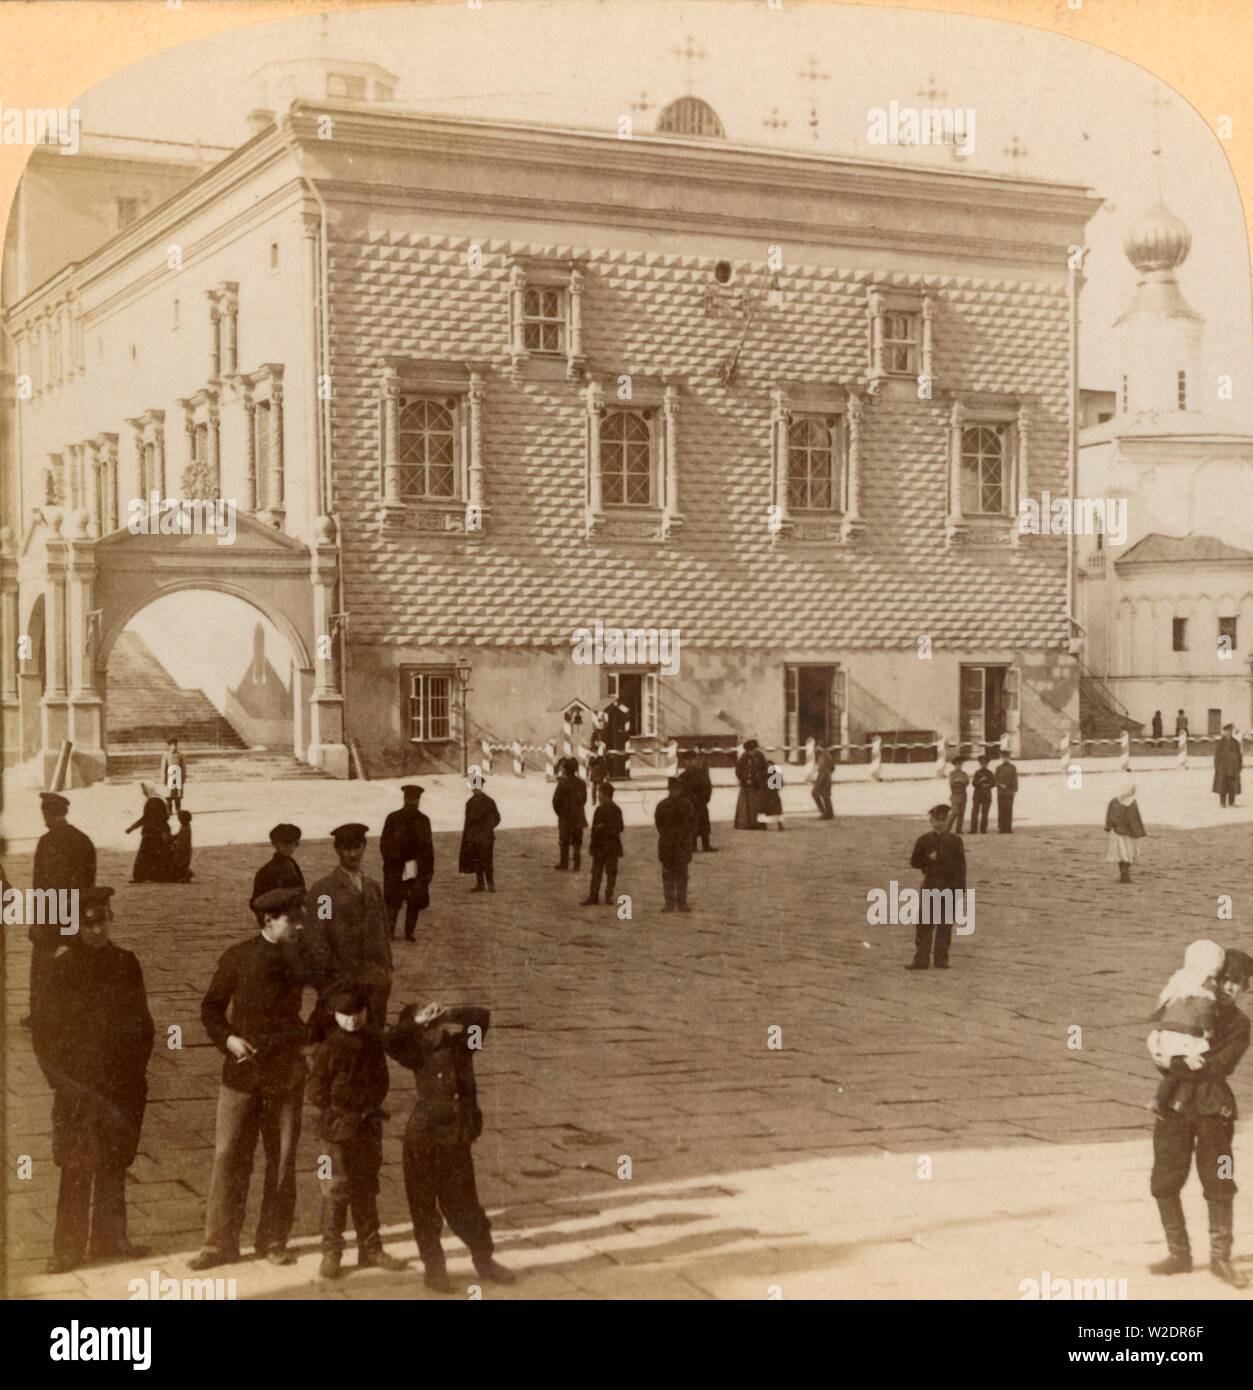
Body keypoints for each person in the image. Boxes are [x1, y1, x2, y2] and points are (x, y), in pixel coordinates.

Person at [191, 885, 315, 1271]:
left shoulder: (304, 957)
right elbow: (211, 1008)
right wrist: (228, 1039)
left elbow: (335, 996)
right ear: (268, 920)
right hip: (242, 1076)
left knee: (282, 1161)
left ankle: (273, 1239)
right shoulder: (238, 957)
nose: (300, 924)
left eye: (301, 917)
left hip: (286, 1074)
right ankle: (218, 1244)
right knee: (228, 1158)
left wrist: (309, 1038)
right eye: (292, 919)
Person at [33, 887, 153, 1274]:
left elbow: (143, 1023)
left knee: (115, 1160)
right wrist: (62, 1082)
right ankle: (67, 1249)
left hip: (120, 1084)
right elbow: (44, 1032)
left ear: (111, 920)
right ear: (77, 925)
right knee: (76, 1163)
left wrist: (134, 1072)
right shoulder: (62, 967)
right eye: (89, 924)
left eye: (103, 921)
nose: (97, 931)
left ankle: (110, 1239)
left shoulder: (126, 962)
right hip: (79, 1087)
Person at [384, 999, 515, 1293]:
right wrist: (416, 1023)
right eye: (423, 1031)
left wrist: (450, 1013)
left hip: (455, 1141)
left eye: (435, 1027)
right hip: (422, 1142)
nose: (430, 1034)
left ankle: (485, 1261)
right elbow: (389, 1040)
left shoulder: (463, 1046)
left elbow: (482, 1016)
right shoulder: (414, 1055)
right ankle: (435, 1269)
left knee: (466, 1207)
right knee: (424, 1211)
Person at [1149, 947, 1252, 1289]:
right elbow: (1160, 1048)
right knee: (1165, 1177)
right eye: (1228, 980)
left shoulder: (1239, 1023)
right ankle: (1179, 1253)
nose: (1232, 988)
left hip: (1214, 1111)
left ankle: (1221, 1258)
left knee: (1220, 1177)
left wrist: (1175, 1063)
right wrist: (1175, 1059)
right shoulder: (1185, 1003)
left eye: (1241, 983)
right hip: (1174, 1107)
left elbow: (1219, 1065)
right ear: (1215, 977)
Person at [309, 981, 407, 1280]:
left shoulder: (373, 1043)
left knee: (366, 1186)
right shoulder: (328, 1048)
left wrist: (368, 1109)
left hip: (367, 1127)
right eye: (345, 1014)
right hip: (336, 1132)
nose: (352, 1019)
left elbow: (381, 1080)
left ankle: (371, 1249)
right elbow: (315, 1090)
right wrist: (337, 1113)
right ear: (336, 1016)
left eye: (357, 1012)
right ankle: (331, 1253)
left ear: (366, 1013)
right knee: (335, 1189)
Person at [306, 824, 393, 1032]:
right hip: (343, 981)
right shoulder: (325, 890)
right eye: (346, 849)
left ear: (364, 847)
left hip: (375, 980)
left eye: (357, 847)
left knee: (374, 1036)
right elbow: (317, 934)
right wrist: (332, 977)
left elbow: (383, 927)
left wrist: (387, 968)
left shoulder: (373, 887)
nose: (353, 854)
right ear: (337, 850)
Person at [24, 791, 96, 1029]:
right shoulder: (83, 840)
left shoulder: (46, 842)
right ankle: (78, 1013)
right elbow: (89, 881)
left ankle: (40, 1015)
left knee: (42, 967)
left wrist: (36, 919)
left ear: (47, 813)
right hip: (75, 910)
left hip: (50, 911)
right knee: (78, 962)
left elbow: (39, 883)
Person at [1148, 940, 1226, 1119]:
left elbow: (1161, 1007)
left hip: (1166, 1035)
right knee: (1194, 1069)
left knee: (1177, 1072)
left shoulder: (1179, 981)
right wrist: (1209, 1030)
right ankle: (1171, 1103)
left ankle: (1164, 1100)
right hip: (1186, 1037)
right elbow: (1205, 1011)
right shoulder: (1205, 986)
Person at [905, 804, 967, 972]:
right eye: (937, 819)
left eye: (944, 819)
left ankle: (941, 958)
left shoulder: (955, 841)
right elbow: (914, 862)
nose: (941, 823)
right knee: (925, 923)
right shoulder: (924, 840)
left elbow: (961, 866)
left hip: (949, 887)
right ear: (931, 821)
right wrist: (927, 858)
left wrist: (961, 890)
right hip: (931, 885)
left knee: (945, 924)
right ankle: (921, 959)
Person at [380, 785, 435, 942]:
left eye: (415, 799)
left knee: (414, 900)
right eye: (410, 799)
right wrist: (390, 860)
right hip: (396, 865)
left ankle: (409, 932)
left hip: (413, 866)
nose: (413, 802)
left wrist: (428, 869)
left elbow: (428, 847)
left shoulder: (424, 821)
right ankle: (389, 930)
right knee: (393, 900)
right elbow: (384, 842)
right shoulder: (393, 818)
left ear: (419, 800)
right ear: (404, 799)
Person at [654, 776, 695, 912]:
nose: (675, 792)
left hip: (682, 844)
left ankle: (682, 902)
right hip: (667, 844)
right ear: (669, 789)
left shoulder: (687, 805)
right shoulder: (662, 805)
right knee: (667, 874)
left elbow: (692, 824)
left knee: (682, 874)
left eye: (678, 789)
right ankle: (669, 902)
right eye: (673, 789)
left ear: (681, 789)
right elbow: (658, 824)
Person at [582, 782, 624, 907]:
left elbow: (619, 828)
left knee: (602, 872)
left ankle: (599, 896)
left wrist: (604, 828)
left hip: (606, 845)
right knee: (602, 872)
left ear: (606, 795)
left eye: (600, 793)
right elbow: (596, 829)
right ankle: (603, 896)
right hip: (608, 846)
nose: (598, 796)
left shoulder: (608, 810)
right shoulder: (609, 809)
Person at [459, 781, 501, 892]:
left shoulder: (489, 802)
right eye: (473, 788)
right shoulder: (470, 803)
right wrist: (468, 835)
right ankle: (480, 884)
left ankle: (491, 884)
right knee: (477, 860)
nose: (475, 790)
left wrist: (487, 828)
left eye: (477, 787)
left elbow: (496, 818)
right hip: (474, 837)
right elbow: (467, 822)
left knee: (487, 860)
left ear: (481, 787)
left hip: (486, 837)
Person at [251, 823, 304, 911]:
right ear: (275, 845)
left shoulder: (288, 863)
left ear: (296, 844)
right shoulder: (279, 866)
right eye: (284, 844)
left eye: (290, 843)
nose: (287, 846)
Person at [1105, 782, 1147, 884]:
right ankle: (1125, 870)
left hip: (1116, 832)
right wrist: (1138, 831)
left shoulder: (1113, 801)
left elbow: (1109, 817)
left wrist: (1109, 826)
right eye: (1133, 789)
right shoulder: (1132, 802)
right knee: (1130, 853)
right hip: (1130, 833)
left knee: (1120, 854)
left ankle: (1123, 872)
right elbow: (1134, 819)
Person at [552, 757, 589, 871]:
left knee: (564, 841)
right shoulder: (582, 783)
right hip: (578, 816)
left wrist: (561, 814)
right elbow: (584, 799)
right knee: (577, 841)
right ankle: (577, 864)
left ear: (566, 770)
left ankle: (564, 863)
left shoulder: (563, 783)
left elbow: (555, 801)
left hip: (566, 816)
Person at [128, 796, 174, 883]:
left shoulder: (148, 818)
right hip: (156, 841)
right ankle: (158, 876)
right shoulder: (161, 819)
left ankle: (141, 876)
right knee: (158, 858)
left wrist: (131, 829)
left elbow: (140, 822)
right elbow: (166, 829)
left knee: (144, 858)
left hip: (147, 839)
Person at [677, 750, 716, 851]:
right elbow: (679, 792)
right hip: (689, 805)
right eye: (687, 760)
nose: (689, 763)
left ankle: (706, 845)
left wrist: (705, 800)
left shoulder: (702, 774)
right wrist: (685, 803)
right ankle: (692, 845)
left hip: (701, 803)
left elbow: (708, 788)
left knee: (704, 825)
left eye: (692, 760)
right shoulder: (682, 777)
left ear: (695, 761)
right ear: (684, 762)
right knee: (690, 826)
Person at [734, 738, 768, 830]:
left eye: (752, 750)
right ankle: (746, 824)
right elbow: (738, 770)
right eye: (749, 750)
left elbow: (765, 769)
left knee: (758, 804)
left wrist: (760, 778)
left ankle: (759, 824)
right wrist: (744, 779)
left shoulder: (760, 756)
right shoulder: (744, 757)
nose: (751, 752)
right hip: (746, 785)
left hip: (758, 785)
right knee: (745, 806)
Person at [602, 698, 632, 779]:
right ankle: (612, 773)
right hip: (611, 741)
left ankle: (621, 773)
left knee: (619, 759)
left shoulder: (619, 721)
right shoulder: (609, 725)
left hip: (618, 743)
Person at [1213, 723, 1242, 807]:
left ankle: (1231, 802)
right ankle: (1222, 803)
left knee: (1232, 786)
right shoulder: (1220, 743)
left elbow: (1239, 755)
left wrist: (1239, 766)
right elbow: (1217, 756)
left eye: (1230, 731)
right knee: (1222, 785)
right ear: (1224, 732)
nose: (1229, 732)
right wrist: (1217, 767)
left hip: (1233, 768)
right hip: (1223, 768)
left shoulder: (1235, 742)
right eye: (1227, 731)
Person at [160, 737, 187, 816]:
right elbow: (163, 767)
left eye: (175, 745)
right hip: (170, 776)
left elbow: (183, 767)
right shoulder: (166, 755)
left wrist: (183, 777)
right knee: (169, 794)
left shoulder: (180, 755)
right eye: (172, 745)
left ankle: (178, 809)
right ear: (169, 746)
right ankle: (169, 809)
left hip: (178, 775)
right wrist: (164, 778)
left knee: (178, 794)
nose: (174, 747)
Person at [994, 750, 1018, 833]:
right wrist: (1000, 785)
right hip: (1001, 792)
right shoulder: (998, 768)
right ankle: (1001, 828)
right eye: (1003, 757)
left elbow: (1015, 779)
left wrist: (1014, 790)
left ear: (1009, 758)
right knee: (1001, 810)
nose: (1005, 759)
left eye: (1006, 757)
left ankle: (1008, 827)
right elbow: (995, 779)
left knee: (1009, 809)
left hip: (1009, 791)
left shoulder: (1013, 768)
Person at [970, 755, 994, 834]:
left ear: (987, 764)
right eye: (982, 763)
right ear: (980, 764)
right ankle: (973, 829)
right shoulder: (977, 772)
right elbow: (974, 783)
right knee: (974, 812)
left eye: (985, 763)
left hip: (986, 795)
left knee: (985, 813)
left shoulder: (990, 773)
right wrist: (980, 780)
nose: (983, 765)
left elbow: (993, 783)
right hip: (978, 795)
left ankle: (983, 829)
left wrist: (988, 785)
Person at [811, 745, 835, 821]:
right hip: (827, 776)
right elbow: (833, 767)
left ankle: (824, 813)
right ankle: (829, 813)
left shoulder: (822, 756)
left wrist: (818, 779)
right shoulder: (828, 755)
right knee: (826, 795)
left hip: (823, 776)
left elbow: (821, 768)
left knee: (815, 793)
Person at [169, 810, 194, 882]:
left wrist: (174, 841)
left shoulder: (186, 828)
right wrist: (173, 838)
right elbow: (179, 835)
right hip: (183, 848)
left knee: (181, 863)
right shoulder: (185, 826)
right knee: (180, 863)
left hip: (183, 849)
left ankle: (186, 877)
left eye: (180, 819)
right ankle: (184, 876)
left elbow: (182, 838)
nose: (179, 820)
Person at [947, 757, 969, 834]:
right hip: (955, 795)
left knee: (961, 813)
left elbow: (967, 782)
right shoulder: (952, 774)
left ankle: (959, 829)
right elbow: (952, 783)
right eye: (957, 764)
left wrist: (959, 781)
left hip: (963, 795)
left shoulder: (964, 774)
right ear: (955, 765)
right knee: (954, 812)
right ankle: (947, 828)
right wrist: (960, 782)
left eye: (960, 764)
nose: (959, 766)